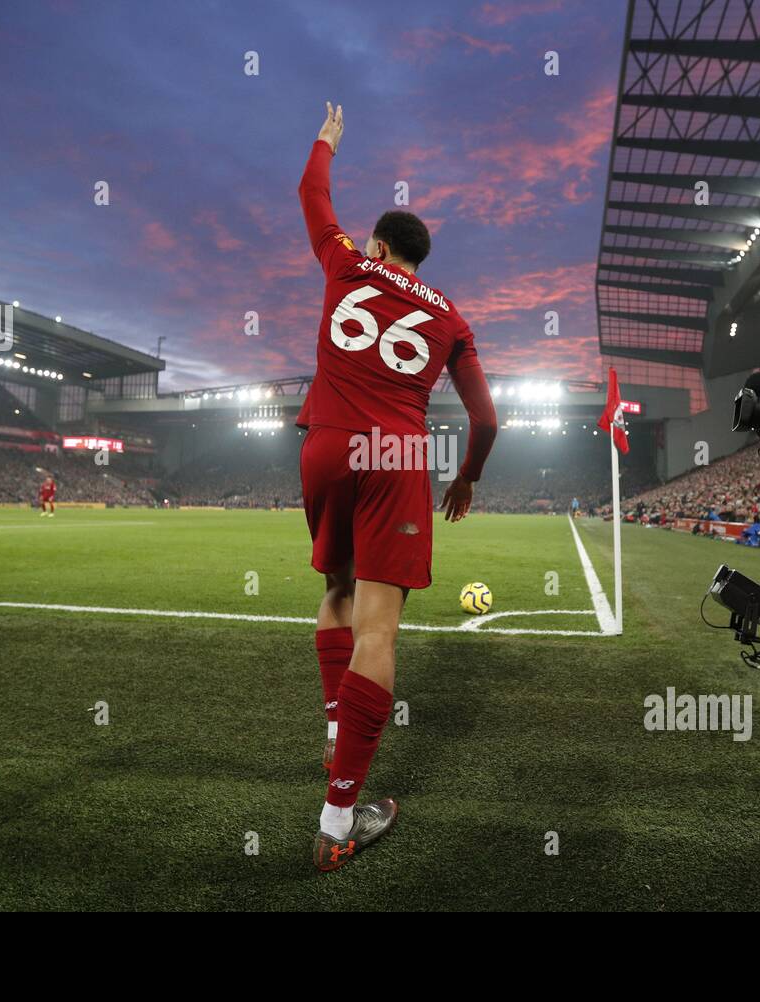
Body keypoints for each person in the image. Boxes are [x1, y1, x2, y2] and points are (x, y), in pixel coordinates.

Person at [297, 102, 498, 871]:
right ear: (421, 259)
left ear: (379, 245)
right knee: (378, 629)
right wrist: (467, 478)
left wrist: (325, 143)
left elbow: (313, 199)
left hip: (325, 446)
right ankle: (339, 819)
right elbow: (486, 417)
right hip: (396, 456)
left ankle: (329, 730)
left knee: (337, 589)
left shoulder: (348, 263)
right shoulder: (450, 315)